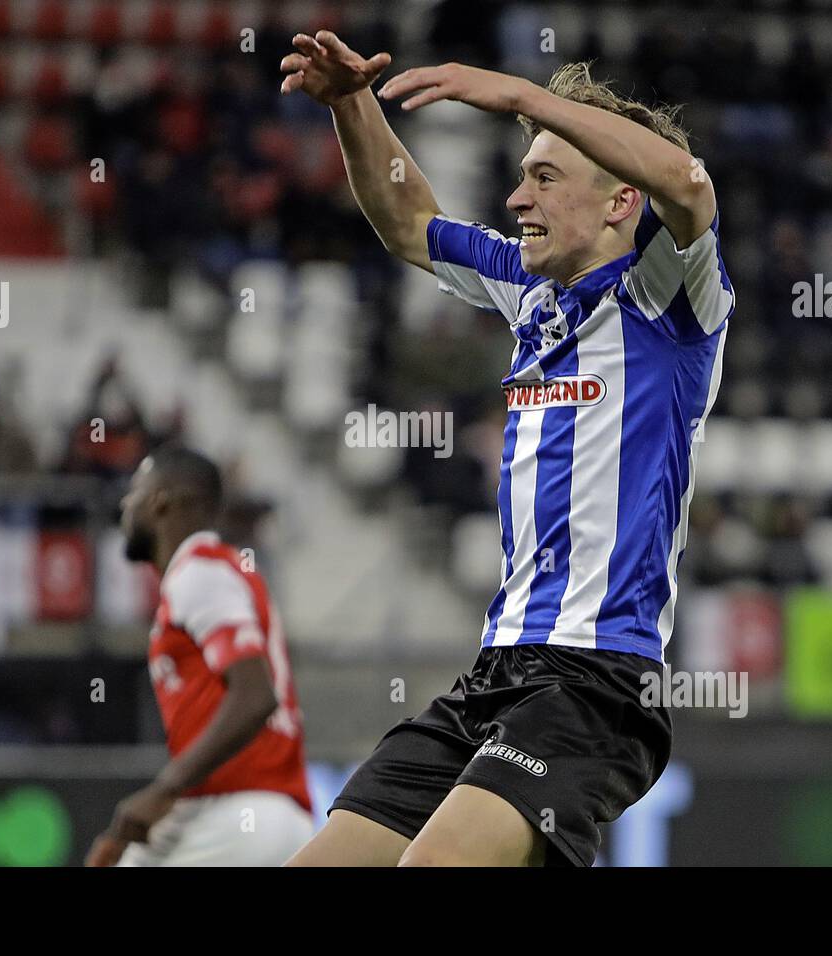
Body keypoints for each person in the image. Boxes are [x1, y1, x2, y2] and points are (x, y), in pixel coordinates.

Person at [280, 31, 734, 867]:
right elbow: (411, 222)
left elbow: (691, 184)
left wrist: (524, 97)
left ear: (619, 202)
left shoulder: (669, 304)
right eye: (523, 172)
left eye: (545, 176)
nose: (517, 196)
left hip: (595, 686)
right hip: (495, 675)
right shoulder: (530, 290)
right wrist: (351, 105)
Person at [85, 443, 313, 866]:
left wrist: (162, 790)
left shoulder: (198, 574)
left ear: (160, 502)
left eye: (134, 492)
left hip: (239, 818)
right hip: (267, 820)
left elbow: (255, 695)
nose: (125, 503)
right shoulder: (226, 571)